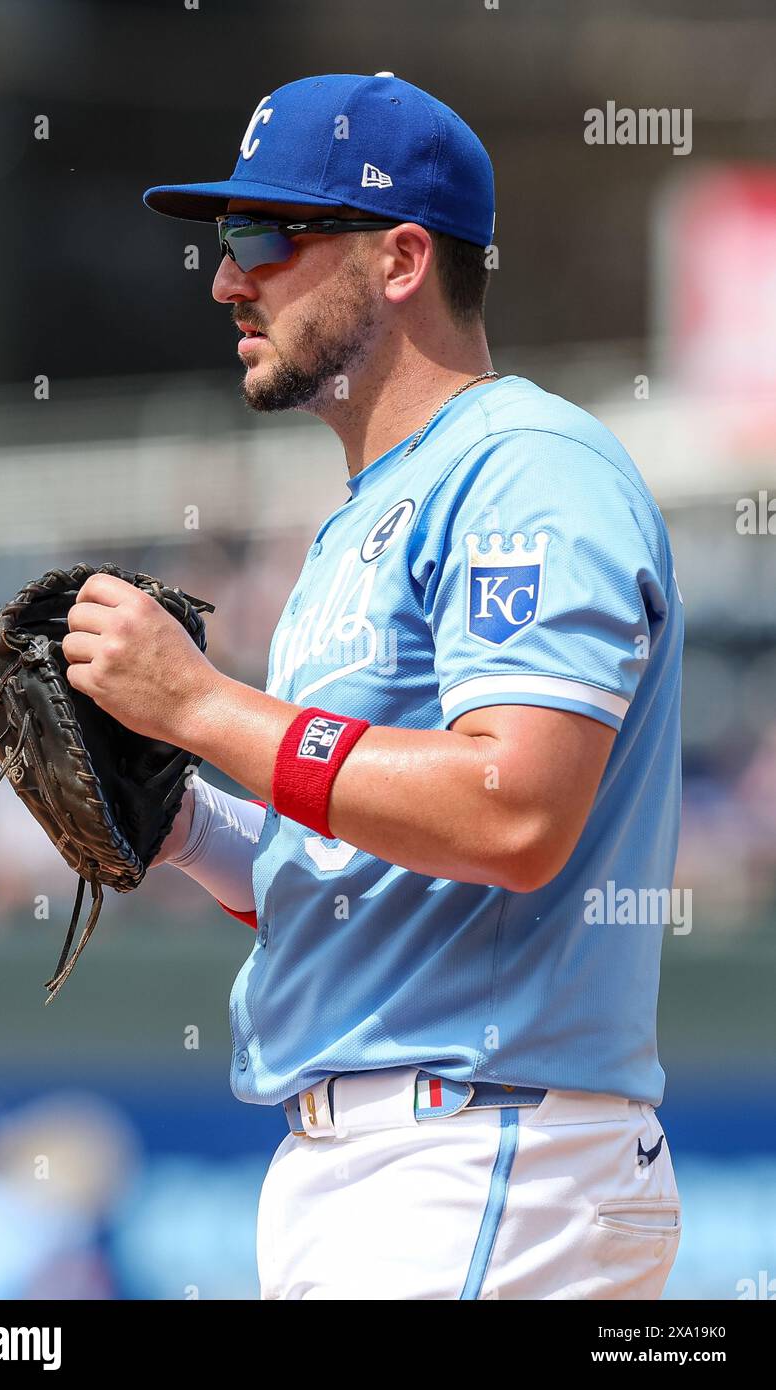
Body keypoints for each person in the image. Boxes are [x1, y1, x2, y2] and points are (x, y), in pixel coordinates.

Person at [62, 73, 684, 1300]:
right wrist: (182, 823)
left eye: (262, 235)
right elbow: (357, 879)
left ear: (400, 257)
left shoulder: (523, 468)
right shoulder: (363, 516)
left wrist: (202, 707)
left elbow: (513, 812)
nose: (225, 279)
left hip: (479, 1136)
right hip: (380, 1157)